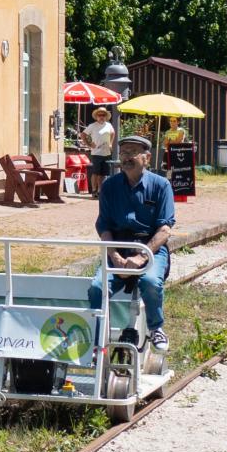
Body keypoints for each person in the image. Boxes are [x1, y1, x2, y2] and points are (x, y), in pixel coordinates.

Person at [87, 134, 175, 352]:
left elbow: (165, 229)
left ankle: (156, 328)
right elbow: (104, 226)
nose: (127, 157)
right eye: (124, 153)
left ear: (146, 158)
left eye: (133, 153)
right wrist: (115, 256)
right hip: (118, 245)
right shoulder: (109, 186)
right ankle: (98, 334)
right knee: (97, 287)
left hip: (149, 247)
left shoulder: (161, 185)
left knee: (151, 283)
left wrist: (141, 257)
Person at [83, 107, 117, 198]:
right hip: (96, 152)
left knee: (103, 174)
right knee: (95, 173)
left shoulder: (109, 125)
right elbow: (83, 134)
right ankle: (94, 190)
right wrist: (89, 144)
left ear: (106, 116)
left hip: (106, 152)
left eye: (103, 115)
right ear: (96, 116)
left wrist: (110, 143)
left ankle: (100, 191)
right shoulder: (92, 125)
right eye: (99, 115)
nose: (101, 117)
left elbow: (113, 133)